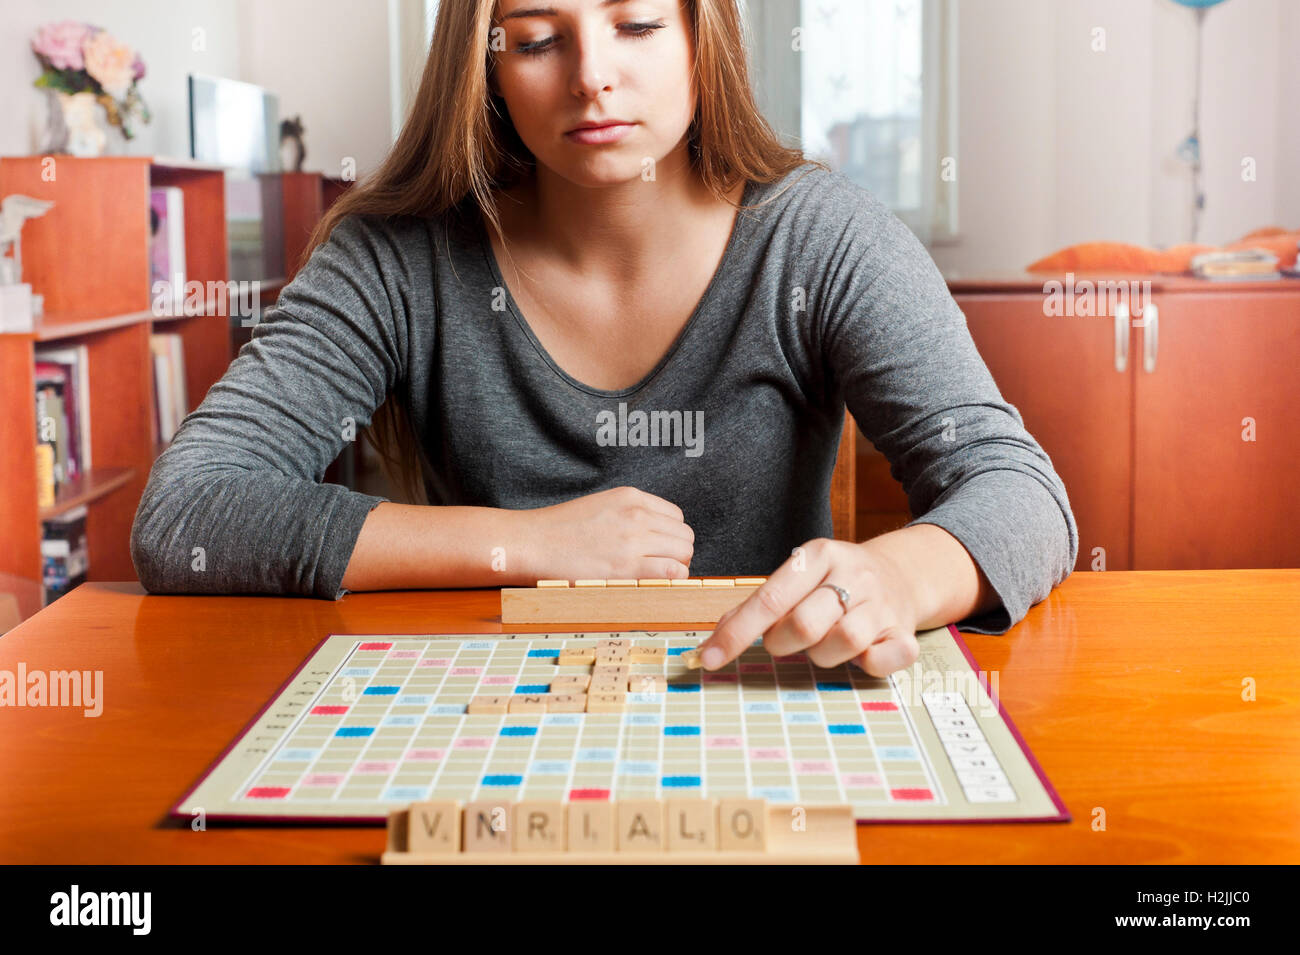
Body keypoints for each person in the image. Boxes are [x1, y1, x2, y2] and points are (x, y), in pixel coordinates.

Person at [131, 0, 1077, 678]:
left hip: (763, 702)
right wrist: (525, 545)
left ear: (706, 32)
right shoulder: (397, 257)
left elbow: (1019, 490)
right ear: (487, 61)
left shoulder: (821, 239)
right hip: (498, 707)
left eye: (637, 25)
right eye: (540, 38)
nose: (592, 77)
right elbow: (187, 515)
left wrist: (895, 576)